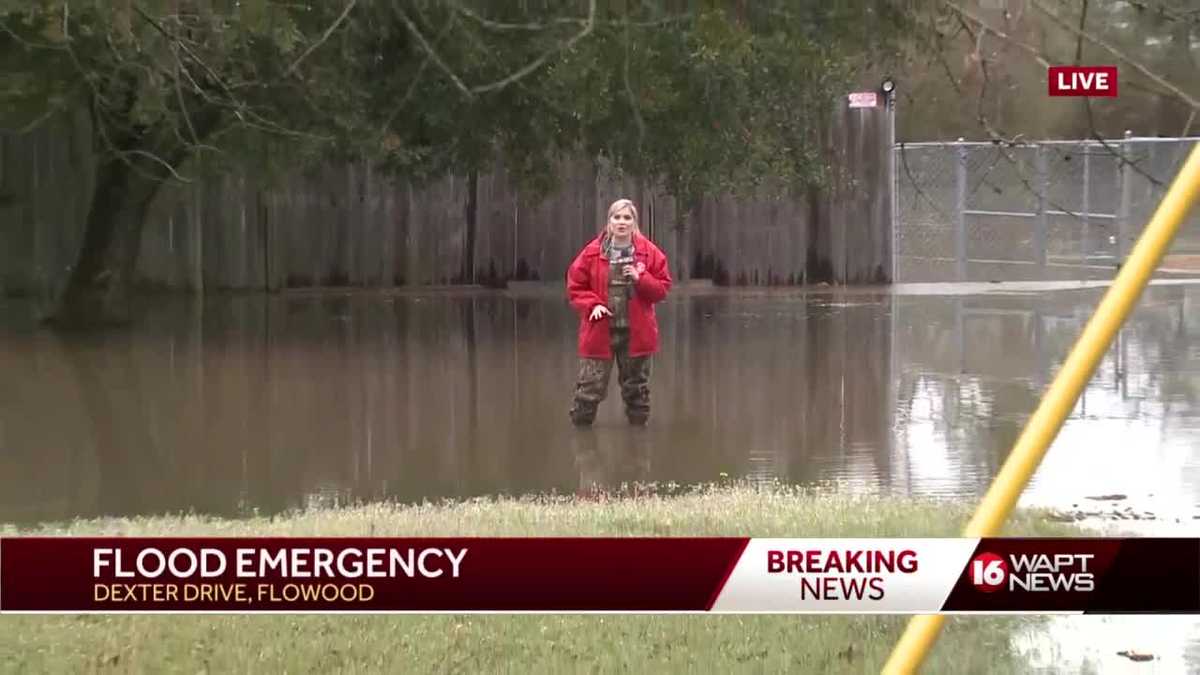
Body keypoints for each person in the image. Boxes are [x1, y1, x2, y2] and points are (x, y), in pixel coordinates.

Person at [565, 198, 672, 428]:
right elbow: (575, 286)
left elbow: (662, 290)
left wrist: (640, 278)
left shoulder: (649, 253)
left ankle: (639, 443)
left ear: (634, 223)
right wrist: (593, 305)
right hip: (599, 332)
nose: (622, 222)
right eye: (617, 217)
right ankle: (581, 440)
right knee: (588, 390)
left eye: (627, 217)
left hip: (637, 334)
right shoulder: (591, 253)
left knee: (637, 391)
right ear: (609, 222)